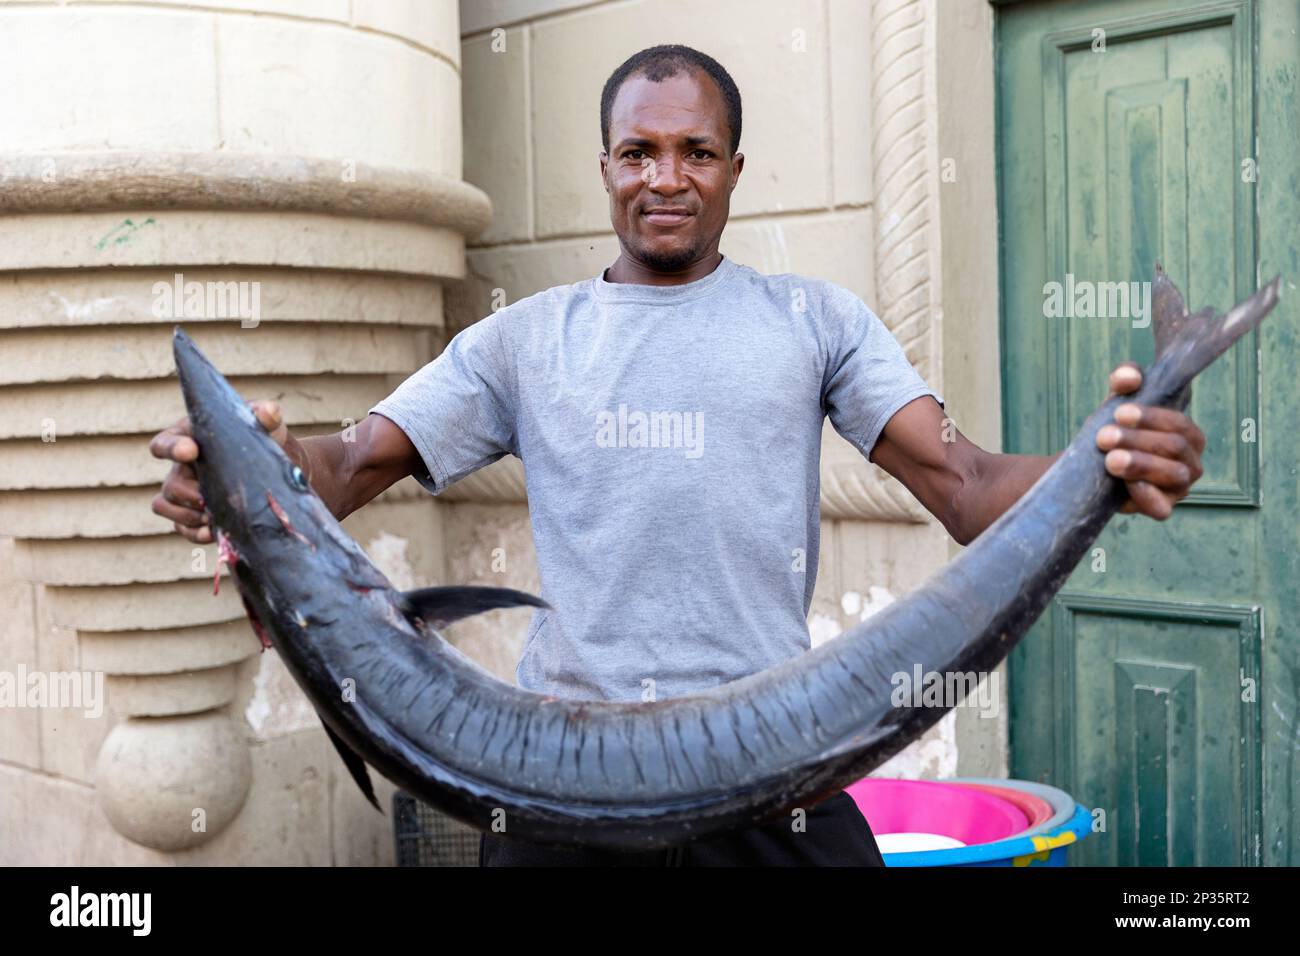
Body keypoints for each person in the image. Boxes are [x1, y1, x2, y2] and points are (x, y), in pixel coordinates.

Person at [150, 45, 1206, 866]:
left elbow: (969, 487)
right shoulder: (523, 338)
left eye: (695, 152)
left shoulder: (815, 319)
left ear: (733, 168)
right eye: (638, 152)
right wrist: (261, 473)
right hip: (550, 794)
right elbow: (345, 468)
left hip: (775, 783)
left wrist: (1105, 460)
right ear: (603, 166)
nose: (667, 177)